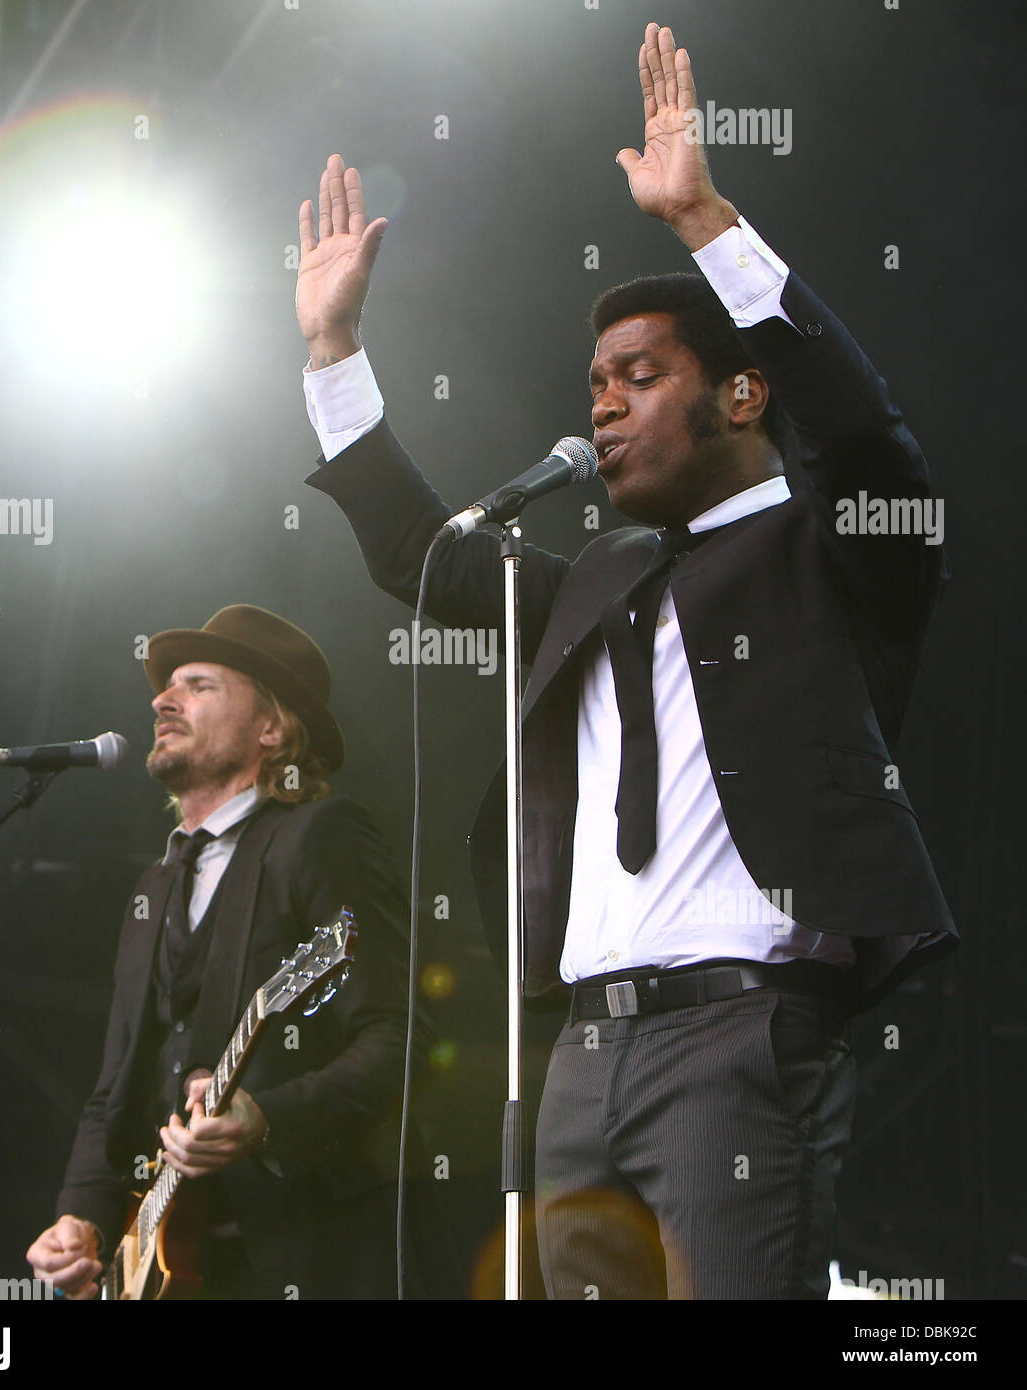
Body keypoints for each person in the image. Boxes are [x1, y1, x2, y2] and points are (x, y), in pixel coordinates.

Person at [293, 22, 958, 1299]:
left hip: (741, 1034)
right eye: (594, 381)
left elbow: (867, 440)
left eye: (639, 376)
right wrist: (334, 355)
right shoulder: (591, 584)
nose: (600, 403)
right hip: (578, 1058)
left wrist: (703, 218)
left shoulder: (836, 552)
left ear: (744, 397)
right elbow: (421, 560)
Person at [26, 604, 426, 1299]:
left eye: (199, 684)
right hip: (176, 1262)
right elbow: (113, 1085)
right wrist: (80, 1218)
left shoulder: (319, 836)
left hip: (306, 1258)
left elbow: (399, 1038)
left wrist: (268, 1118)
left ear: (271, 727)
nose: (162, 698)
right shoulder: (154, 883)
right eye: (166, 686)